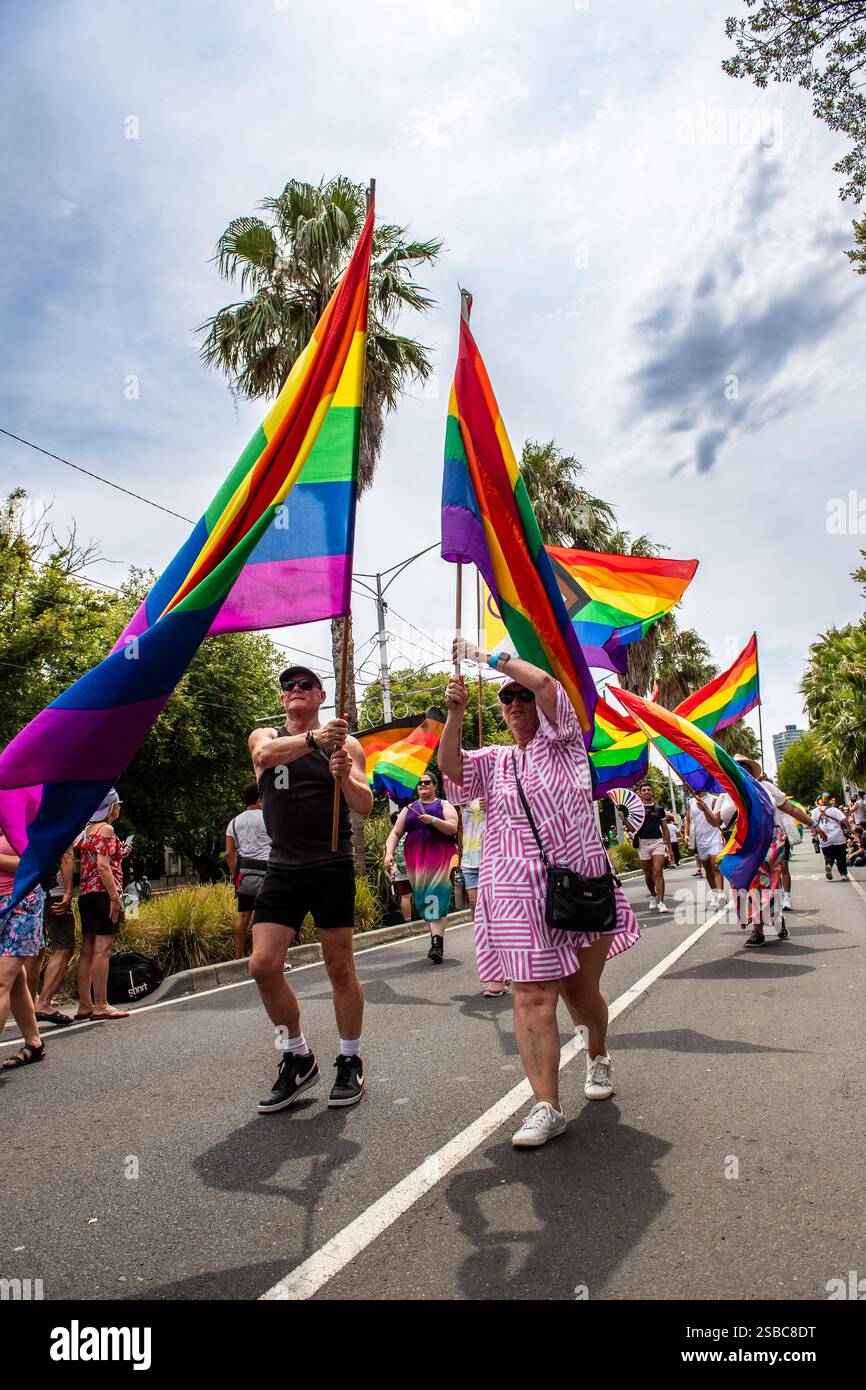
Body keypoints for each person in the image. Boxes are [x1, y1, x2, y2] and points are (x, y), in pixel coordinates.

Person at [439, 639, 640, 1150]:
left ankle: (596, 1051)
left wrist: (485, 656)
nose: (513, 706)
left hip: (579, 889)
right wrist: (455, 716)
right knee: (531, 997)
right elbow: (453, 771)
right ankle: (546, 1105)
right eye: (505, 700)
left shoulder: (566, 740)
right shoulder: (497, 760)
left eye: (520, 697)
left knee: (581, 996)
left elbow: (548, 684)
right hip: (514, 896)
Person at [249, 666, 373, 1114]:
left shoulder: (346, 744)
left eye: (305, 685)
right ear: (283, 699)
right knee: (263, 965)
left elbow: (365, 803)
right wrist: (312, 743)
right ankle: (298, 1056)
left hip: (331, 864)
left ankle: (349, 1058)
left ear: (321, 695)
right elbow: (264, 757)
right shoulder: (266, 735)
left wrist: (344, 776)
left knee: (339, 967)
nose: (296, 691)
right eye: (289, 687)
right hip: (282, 866)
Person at [709, 757, 812, 946]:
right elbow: (716, 822)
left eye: (745, 767)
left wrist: (814, 824)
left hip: (768, 838)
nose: (741, 770)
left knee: (762, 882)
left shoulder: (765, 787)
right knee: (743, 885)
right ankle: (774, 917)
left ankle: (759, 929)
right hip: (740, 844)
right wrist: (703, 809)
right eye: (737, 767)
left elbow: (789, 808)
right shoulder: (726, 794)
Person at [384, 773, 458, 963]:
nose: (423, 785)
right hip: (417, 861)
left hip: (440, 857)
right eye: (420, 784)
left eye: (427, 783)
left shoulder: (443, 805)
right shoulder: (409, 809)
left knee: (437, 894)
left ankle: (436, 944)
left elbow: (452, 828)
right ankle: (436, 941)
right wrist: (389, 853)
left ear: (434, 786)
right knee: (425, 898)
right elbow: (396, 833)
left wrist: (432, 820)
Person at [76, 789, 130, 1020]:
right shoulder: (106, 829)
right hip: (102, 893)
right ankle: (101, 1004)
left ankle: (84, 1005)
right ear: (111, 807)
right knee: (102, 950)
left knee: (87, 950)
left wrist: (120, 853)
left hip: (86, 893)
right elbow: (103, 866)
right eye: (117, 804)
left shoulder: (86, 830)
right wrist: (114, 897)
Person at [0, 825, 46, 1069]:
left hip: (22, 904)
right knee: (15, 979)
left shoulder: (20, 823)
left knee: (1, 981)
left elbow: (30, 864)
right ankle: (34, 1043)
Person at [461, 795, 507, 997]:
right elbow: (461, 806)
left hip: (495, 857)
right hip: (470, 859)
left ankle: (505, 967)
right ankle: (493, 966)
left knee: (498, 914)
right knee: (479, 916)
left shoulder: (499, 786)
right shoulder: (464, 795)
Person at [226, 782, 272, 959]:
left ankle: (238, 957)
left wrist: (233, 873)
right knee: (265, 916)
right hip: (268, 872)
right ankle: (261, 955)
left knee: (243, 915)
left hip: (244, 875)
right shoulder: (269, 816)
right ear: (260, 799)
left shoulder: (234, 822)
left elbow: (230, 853)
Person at [32, 845, 77, 1028]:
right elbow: (66, 853)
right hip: (55, 892)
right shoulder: (58, 820)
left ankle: (31, 1001)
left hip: (32, 892)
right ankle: (43, 1003)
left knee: (36, 951)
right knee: (64, 948)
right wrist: (68, 891)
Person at [633, 783, 672, 912]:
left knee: (658, 871)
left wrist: (670, 849)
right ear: (640, 793)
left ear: (652, 792)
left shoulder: (659, 809)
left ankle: (661, 902)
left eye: (648, 789)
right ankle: (653, 895)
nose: (646, 791)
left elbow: (665, 829)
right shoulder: (636, 809)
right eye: (643, 790)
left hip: (657, 842)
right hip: (643, 843)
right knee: (648, 875)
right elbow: (632, 828)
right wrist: (625, 818)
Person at [684, 793, 725, 907]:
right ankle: (715, 894)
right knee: (707, 868)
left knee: (715, 865)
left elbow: (719, 818)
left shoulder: (713, 799)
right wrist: (686, 834)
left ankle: (721, 894)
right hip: (701, 840)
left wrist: (705, 808)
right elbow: (688, 819)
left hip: (714, 837)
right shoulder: (691, 802)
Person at [811, 795, 851, 882]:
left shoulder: (815, 811)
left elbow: (811, 823)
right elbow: (844, 820)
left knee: (828, 855)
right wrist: (849, 829)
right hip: (838, 836)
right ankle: (843, 874)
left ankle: (829, 864)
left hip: (823, 836)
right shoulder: (834, 810)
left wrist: (814, 833)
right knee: (840, 856)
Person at [387, 811, 413, 923]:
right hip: (414, 867)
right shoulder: (410, 832)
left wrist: (391, 874)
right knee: (422, 891)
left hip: (400, 870)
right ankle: (428, 916)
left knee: (405, 896)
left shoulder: (391, 837)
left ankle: (408, 921)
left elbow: (389, 857)